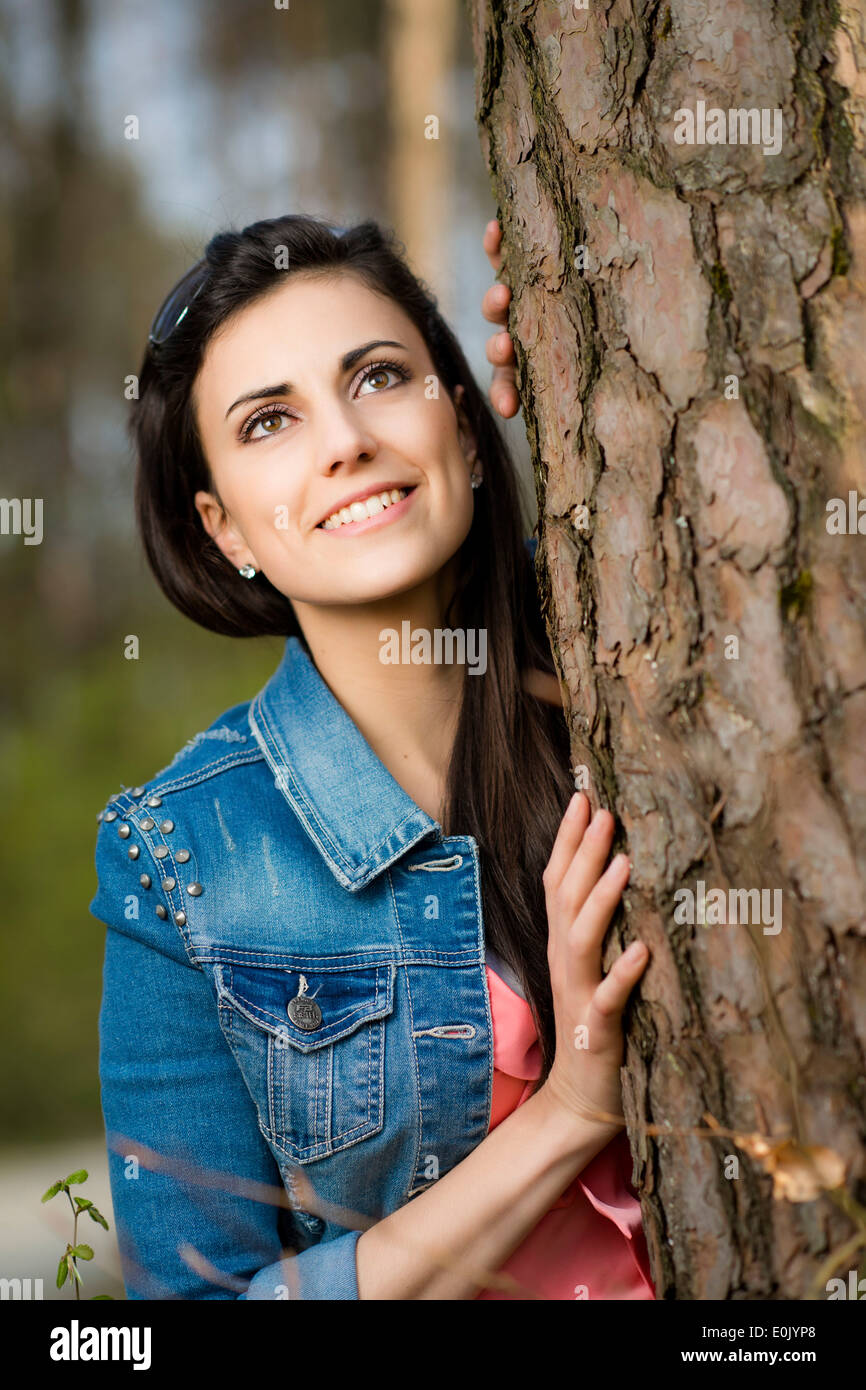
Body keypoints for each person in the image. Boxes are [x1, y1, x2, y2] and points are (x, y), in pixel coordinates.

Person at [89, 213, 653, 1300]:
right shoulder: (182, 854)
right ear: (226, 531)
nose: (344, 439)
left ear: (460, 420)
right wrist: (572, 1108)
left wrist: (617, 333)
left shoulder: (638, 638)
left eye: (382, 376)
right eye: (268, 422)